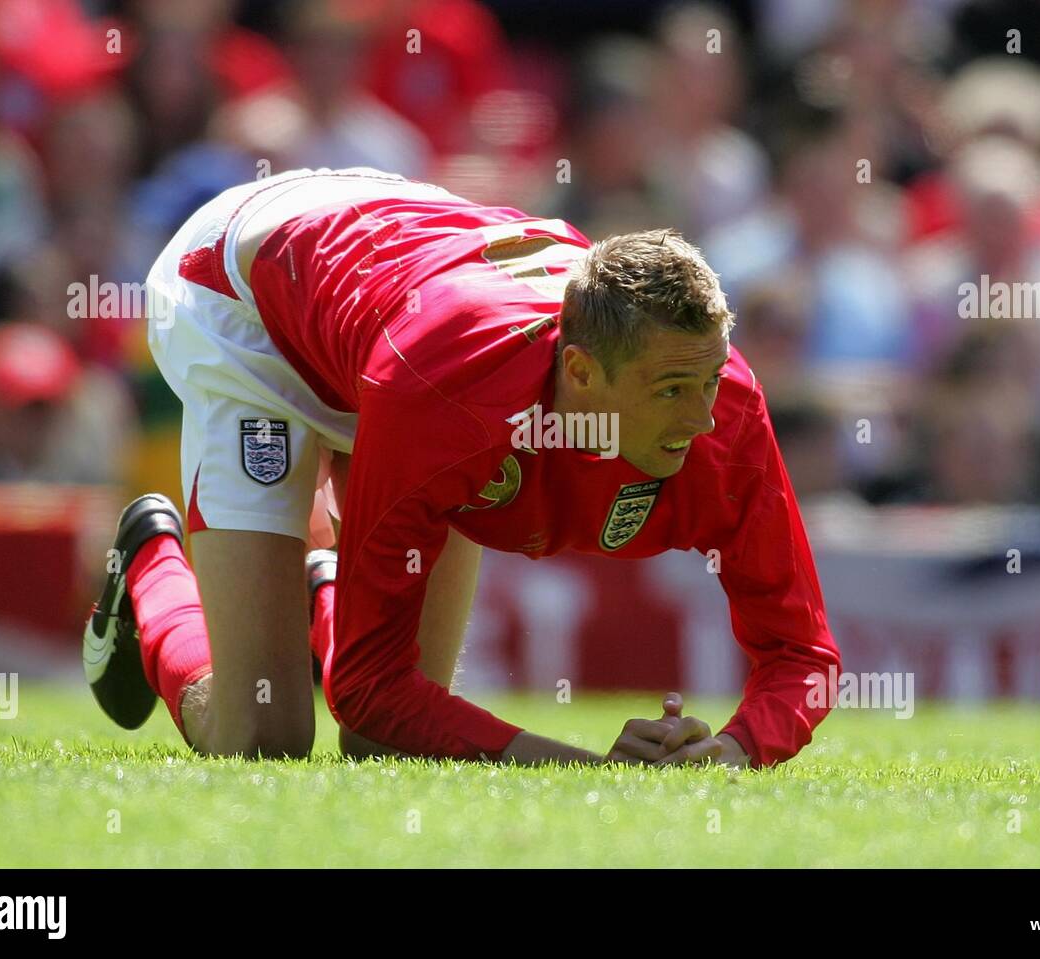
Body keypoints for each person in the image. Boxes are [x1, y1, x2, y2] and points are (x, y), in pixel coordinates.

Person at [82, 166, 841, 768]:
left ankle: (330, 589)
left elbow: (803, 654)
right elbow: (369, 688)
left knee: (385, 749)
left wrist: (735, 753)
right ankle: (149, 563)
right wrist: (587, 768)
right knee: (261, 732)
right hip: (250, 301)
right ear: (580, 373)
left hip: (399, 280)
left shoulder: (722, 401)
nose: (704, 417)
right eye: (673, 391)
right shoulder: (450, 401)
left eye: (709, 380)